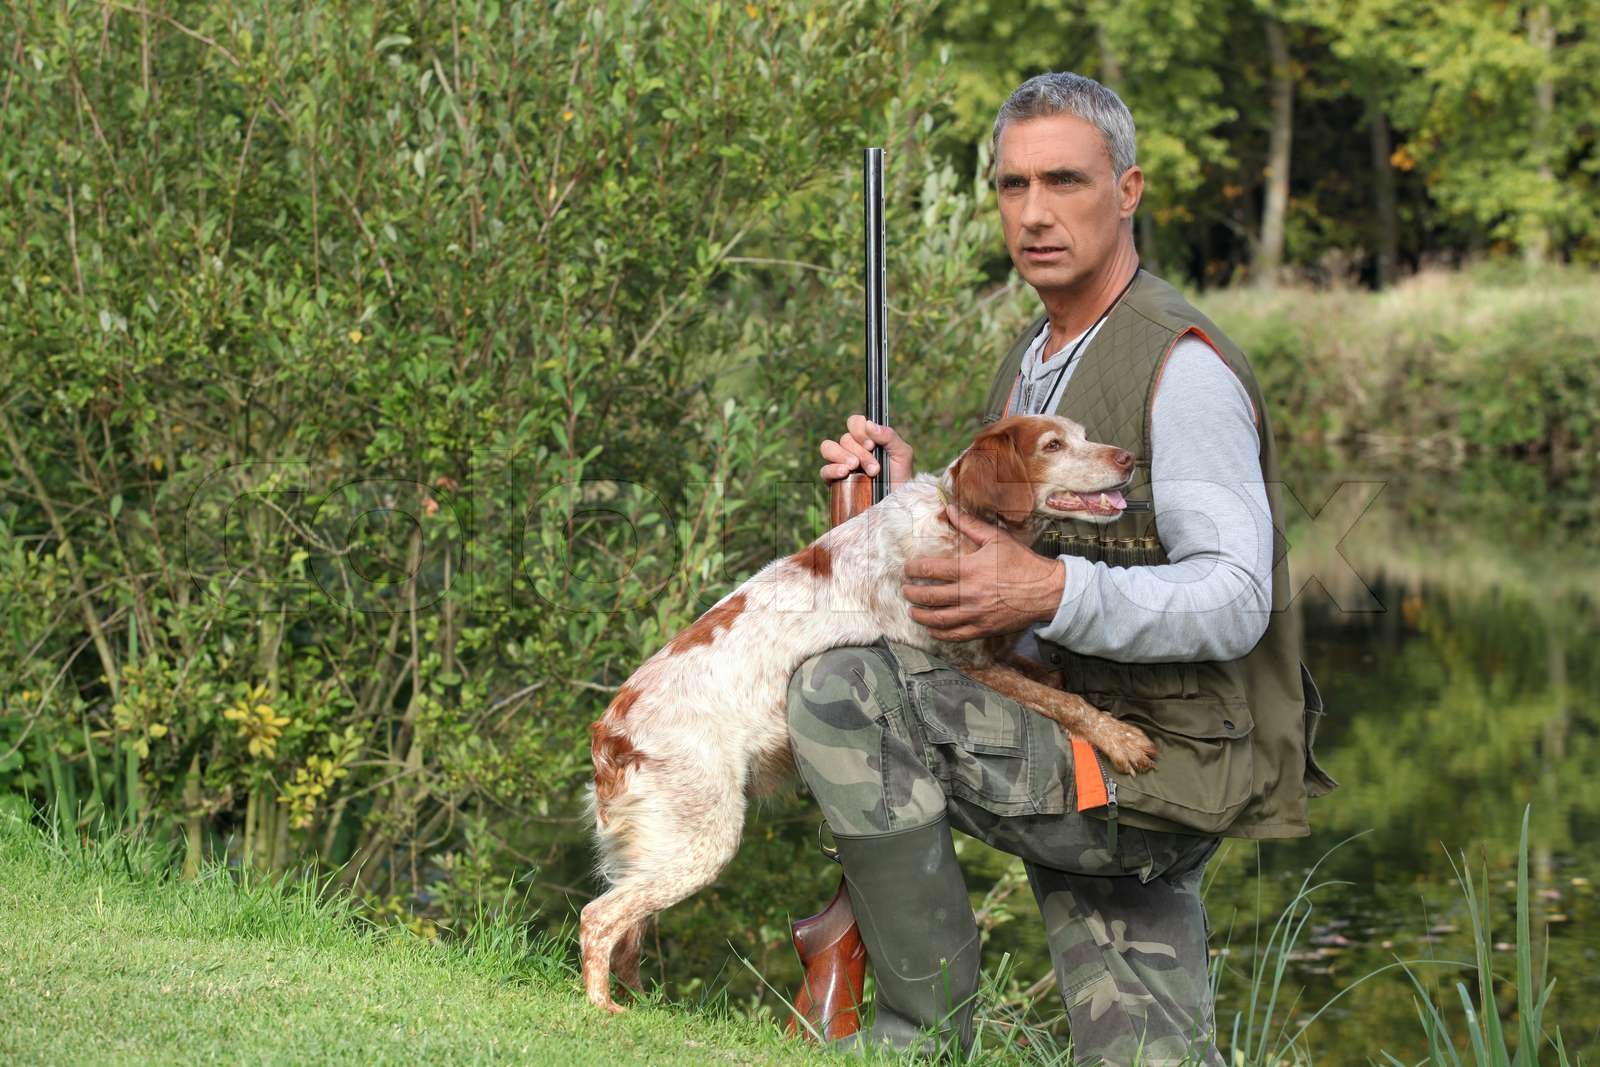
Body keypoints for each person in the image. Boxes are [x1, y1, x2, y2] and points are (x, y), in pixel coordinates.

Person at [791, 72, 1337, 1063]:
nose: (1035, 213)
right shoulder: (1038, 355)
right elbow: (1013, 535)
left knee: (842, 685)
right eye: (1013, 185)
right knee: (1147, 1053)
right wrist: (909, 501)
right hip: (1088, 727)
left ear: (1127, 191)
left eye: (1064, 181)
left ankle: (915, 1039)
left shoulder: (1181, 368)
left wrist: (1054, 591)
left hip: (1156, 760)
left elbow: (1237, 595)